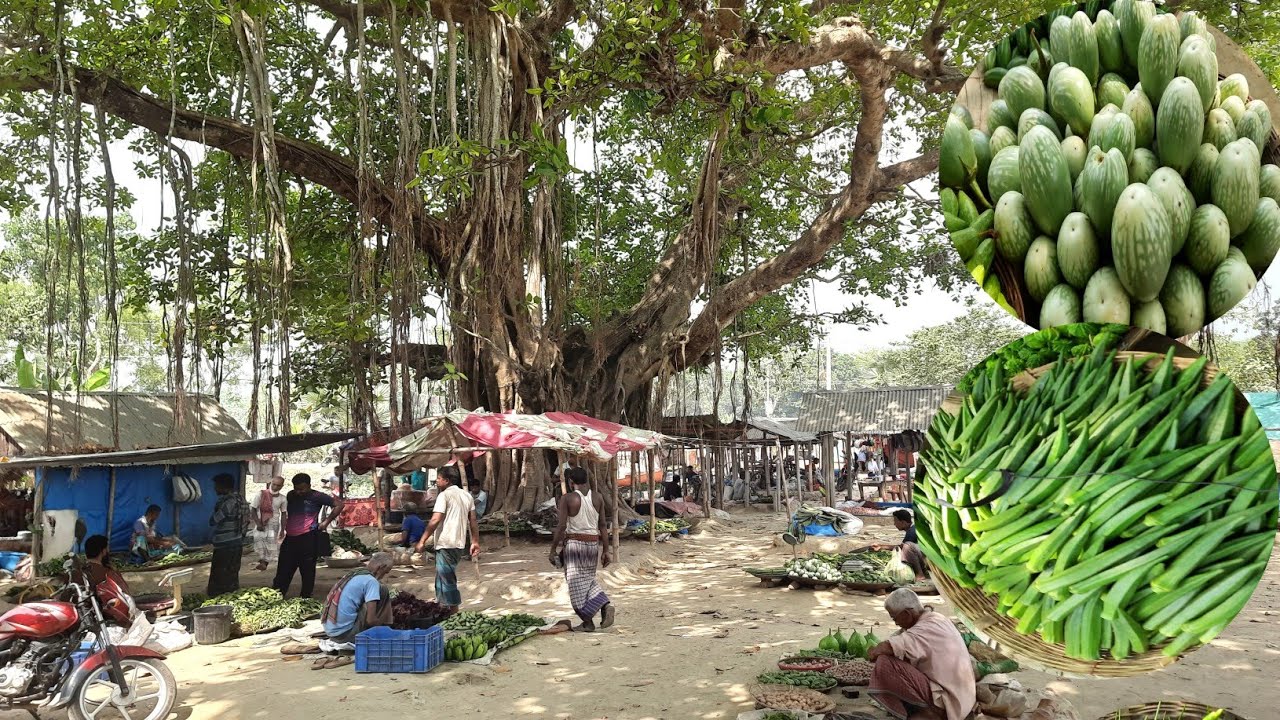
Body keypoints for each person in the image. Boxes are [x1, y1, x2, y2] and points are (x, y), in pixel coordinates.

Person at [866, 589, 975, 720]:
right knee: (900, 658)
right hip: (962, 698)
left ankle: (932, 713)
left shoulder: (925, 628)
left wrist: (873, 652)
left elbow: (887, 647)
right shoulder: (937, 618)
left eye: (895, 618)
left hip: (951, 702)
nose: (896, 623)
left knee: (886, 662)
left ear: (907, 614)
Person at [548, 467, 616, 632]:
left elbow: (561, 526)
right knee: (588, 579)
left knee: (575, 584)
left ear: (571, 482)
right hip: (592, 545)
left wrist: (553, 549)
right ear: (586, 479)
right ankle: (599, 611)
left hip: (575, 545)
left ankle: (592, 617)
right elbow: (603, 526)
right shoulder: (598, 497)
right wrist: (606, 550)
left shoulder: (568, 498)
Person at [414, 465, 480, 610]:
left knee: (447, 578)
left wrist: (422, 541)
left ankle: (453, 609)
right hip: (458, 543)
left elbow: (435, 519)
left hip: (446, 542)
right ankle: (441, 606)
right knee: (441, 577)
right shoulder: (467, 496)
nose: (437, 481)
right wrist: (475, 542)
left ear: (447, 480)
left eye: (439, 478)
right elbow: (473, 521)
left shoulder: (444, 496)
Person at [274, 473, 345, 599]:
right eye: (296, 489)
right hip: (290, 538)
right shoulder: (291, 495)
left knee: (307, 570)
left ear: (309, 486)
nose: (299, 492)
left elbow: (339, 505)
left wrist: (326, 522)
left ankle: (305, 598)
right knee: (283, 569)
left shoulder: (317, 496)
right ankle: (277, 595)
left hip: (308, 537)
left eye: (302, 489)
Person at [321, 552, 394, 643]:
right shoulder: (371, 582)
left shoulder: (356, 573)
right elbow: (370, 620)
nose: (383, 576)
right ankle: (385, 626)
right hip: (345, 635)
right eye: (385, 572)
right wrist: (381, 626)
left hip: (331, 632)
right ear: (381, 567)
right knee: (383, 590)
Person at [208, 473, 250, 596]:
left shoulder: (228, 502)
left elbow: (213, 520)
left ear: (223, 486)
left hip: (225, 545)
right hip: (237, 542)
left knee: (219, 575)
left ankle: (218, 598)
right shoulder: (241, 499)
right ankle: (231, 595)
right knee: (232, 573)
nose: (215, 488)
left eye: (216, 486)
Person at [872, 509, 928, 583]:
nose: (894, 524)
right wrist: (881, 546)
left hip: (927, 557)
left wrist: (882, 547)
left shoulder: (912, 531)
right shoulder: (912, 529)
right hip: (923, 555)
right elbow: (900, 546)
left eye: (895, 521)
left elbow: (902, 547)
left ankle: (920, 574)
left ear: (903, 522)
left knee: (908, 547)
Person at [251, 476, 288, 572]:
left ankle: (264, 563)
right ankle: (262, 561)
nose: (275, 487)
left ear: (282, 486)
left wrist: (283, 529)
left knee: (270, 544)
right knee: (259, 541)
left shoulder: (283, 499)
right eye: (274, 484)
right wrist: (258, 523)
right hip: (261, 522)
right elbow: (253, 509)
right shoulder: (261, 494)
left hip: (274, 524)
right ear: (271, 483)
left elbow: (284, 514)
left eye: (278, 485)